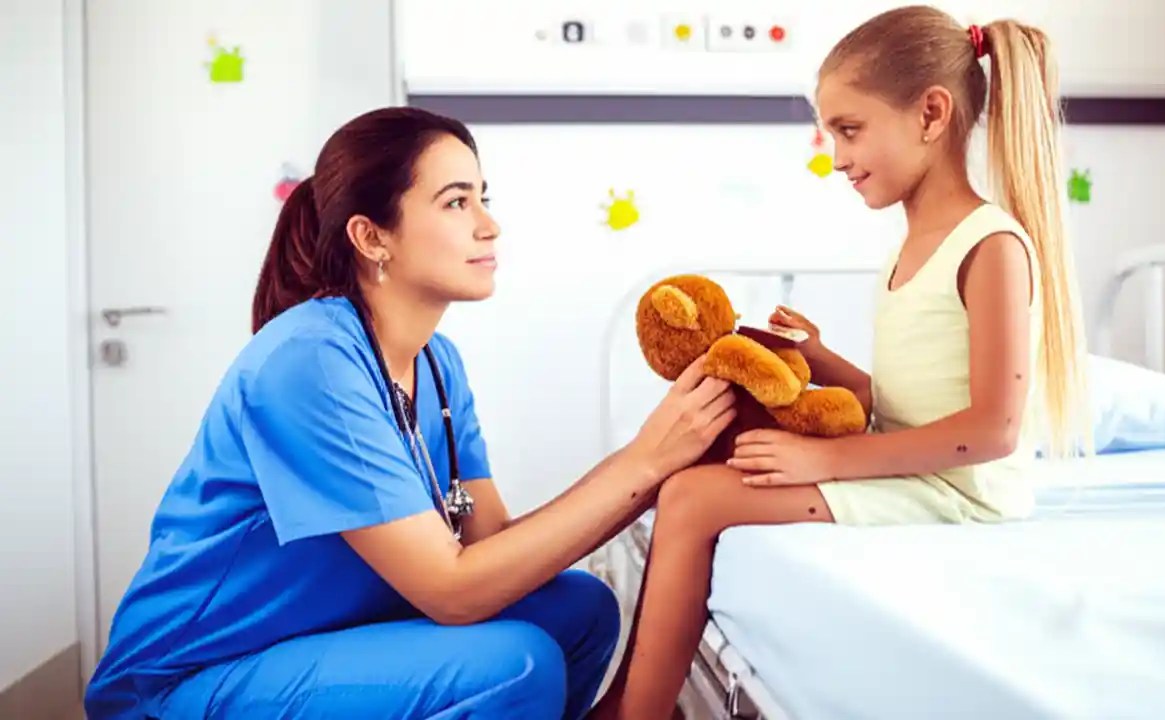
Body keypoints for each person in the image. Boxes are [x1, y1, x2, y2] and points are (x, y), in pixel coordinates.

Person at [83, 106, 738, 719]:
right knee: (515, 666)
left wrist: (659, 464)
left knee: (582, 608)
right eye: (456, 201)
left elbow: (489, 545)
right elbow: (454, 590)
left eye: (484, 197)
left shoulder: (436, 362)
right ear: (372, 237)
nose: (489, 224)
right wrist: (647, 459)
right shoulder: (309, 361)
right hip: (194, 675)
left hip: (328, 638)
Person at [588, 6, 1092, 719]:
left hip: (963, 493)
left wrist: (824, 460)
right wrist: (817, 356)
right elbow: (904, 399)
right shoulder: (910, 245)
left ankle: (636, 711)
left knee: (696, 498)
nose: (836, 155)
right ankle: (628, 698)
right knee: (692, 471)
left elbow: (991, 430)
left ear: (931, 114)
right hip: (920, 469)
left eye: (849, 130)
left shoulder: (991, 245)